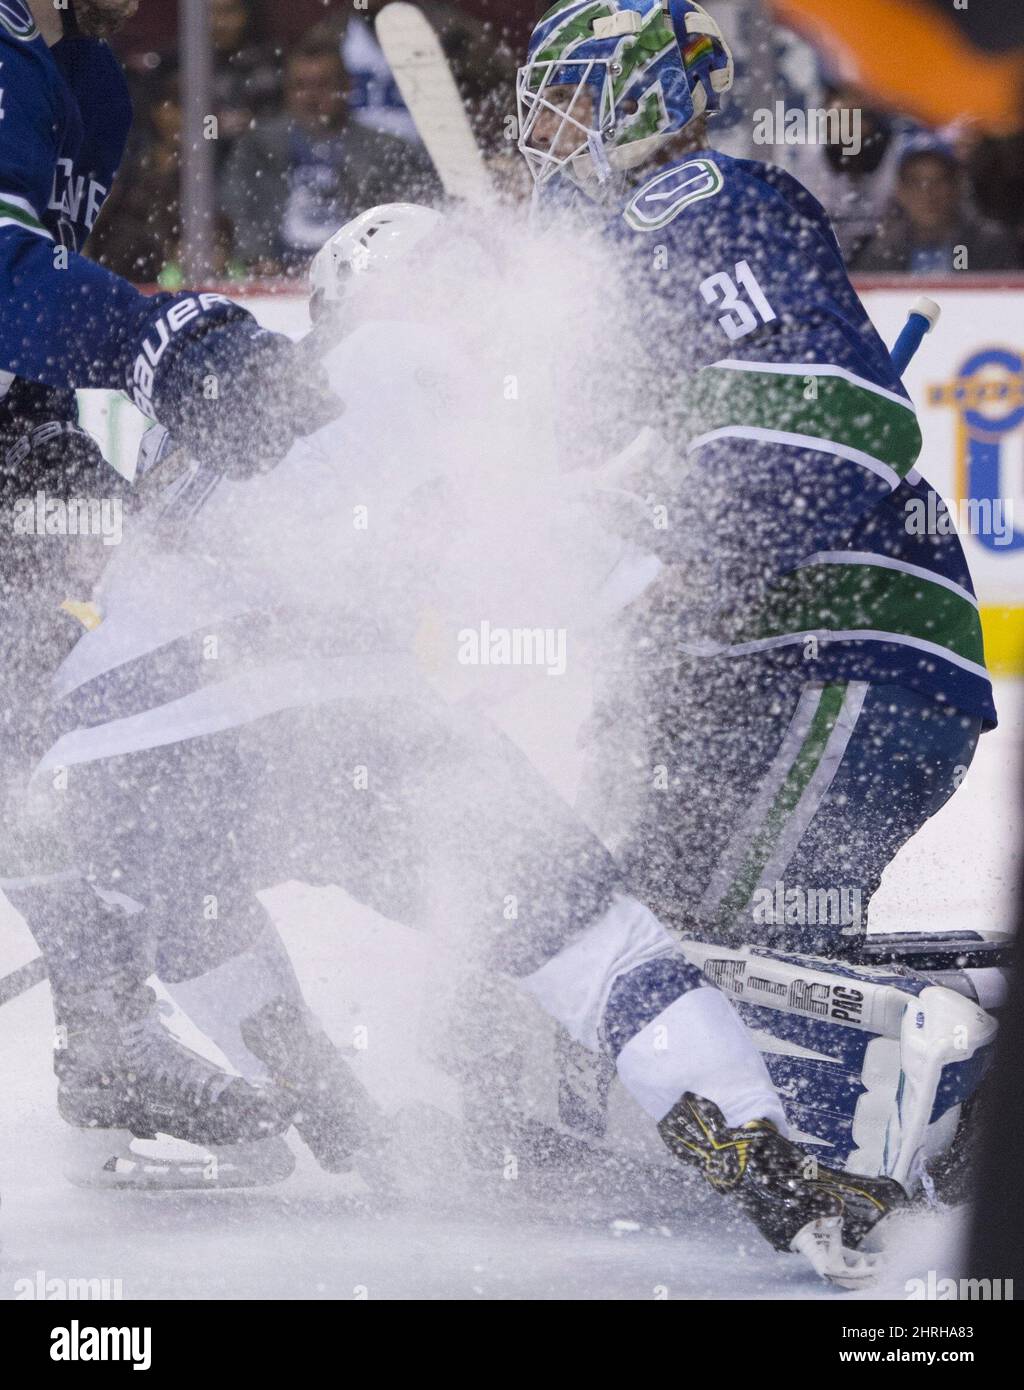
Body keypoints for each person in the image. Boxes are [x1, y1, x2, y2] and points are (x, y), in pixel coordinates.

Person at [33, 202, 905, 1287]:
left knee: (198, 906)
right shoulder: (424, 369)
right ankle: (769, 1167)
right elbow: (584, 573)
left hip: (113, 759)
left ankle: (339, 1118)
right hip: (331, 718)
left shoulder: (216, 403)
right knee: (596, 939)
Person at [516, 0, 996, 1238]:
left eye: (570, 100)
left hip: (841, 654)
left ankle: (923, 1110)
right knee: (671, 927)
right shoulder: (630, 257)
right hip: (807, 665)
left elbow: (834, 417)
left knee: (703, 971)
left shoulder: (686, 201)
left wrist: (688, 568)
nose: (545, 136)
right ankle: (933, 1050)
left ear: (643, 103)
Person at [0, 0, 343, 1168]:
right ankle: (103, 1026)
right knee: (26, 705)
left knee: (113, 684)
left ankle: (115, 1025)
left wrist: (125, 493)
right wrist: (169, 343)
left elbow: (28, 343)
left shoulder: (88, 76)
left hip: (13, 441)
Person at [221, 31, 438, 276]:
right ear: (286, 90)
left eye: (323, 85)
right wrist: (257, 257)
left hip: (360, 281)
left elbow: (409, 217)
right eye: (301, 86)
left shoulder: (387, 149)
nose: (312, 97)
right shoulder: (257, 146)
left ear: (347, 87)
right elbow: (235, 209)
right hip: (275, 278)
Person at [853, 133, 1020, 273]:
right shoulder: (881, 253)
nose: (928, 194)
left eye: (939, 181)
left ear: (957, 186)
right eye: (916, 182)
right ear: (900, 192)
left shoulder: (991, 245)